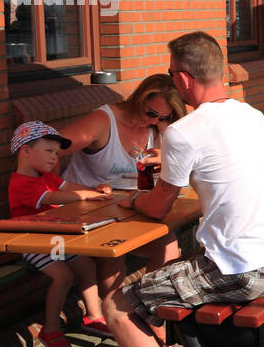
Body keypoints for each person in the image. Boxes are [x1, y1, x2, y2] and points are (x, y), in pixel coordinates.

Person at [104, 32, 264, 347]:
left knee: (116, 304)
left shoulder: (184, 132)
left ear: (185, 79)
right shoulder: (254, 115)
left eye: (172, 75)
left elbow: (156, 208)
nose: (173, 83)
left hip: (241, 270)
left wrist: (130, 199)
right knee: (176, 269)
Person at [59, 75, 188, 333]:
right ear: (138, 98)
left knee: (168, 246)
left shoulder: (157, 129)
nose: (153, 121)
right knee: (115, 252)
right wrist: (72, 192)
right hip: (91, 209)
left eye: (163, 117)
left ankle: (150, 323)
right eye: (151, 112)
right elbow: (48, 147)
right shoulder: (104, 121)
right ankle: (125, 325)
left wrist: (165, 136)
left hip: (131, 205)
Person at [8, 121, 114, 347]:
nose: (54, 157)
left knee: (87, 265)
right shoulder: (21, 183)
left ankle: (94, 317)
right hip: (31, 240)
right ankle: (51, 329)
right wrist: (85, 195)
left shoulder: (47, 177)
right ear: (25, 151)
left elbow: (71, 187)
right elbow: (55, 197)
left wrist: (95, 190)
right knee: (63, 275)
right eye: (48, 151)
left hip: (55, 239)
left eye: (56, 153)